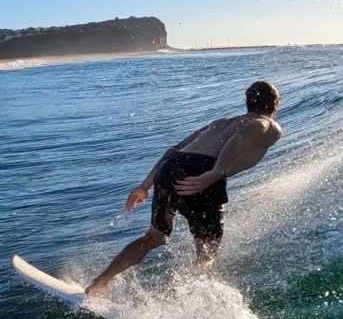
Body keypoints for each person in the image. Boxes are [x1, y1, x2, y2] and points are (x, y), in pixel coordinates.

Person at [85, 81, 283, 297]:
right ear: (275, 103)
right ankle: (184, 302)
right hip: (203, 169)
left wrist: (145, 186)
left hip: (170, 166)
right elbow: (242, 136)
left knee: (153, 238)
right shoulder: (268, 125)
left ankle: (99, 283)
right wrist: (215, 172)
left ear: (247, 102)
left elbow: (173, 150)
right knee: (207, 251)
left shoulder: (220, 123)